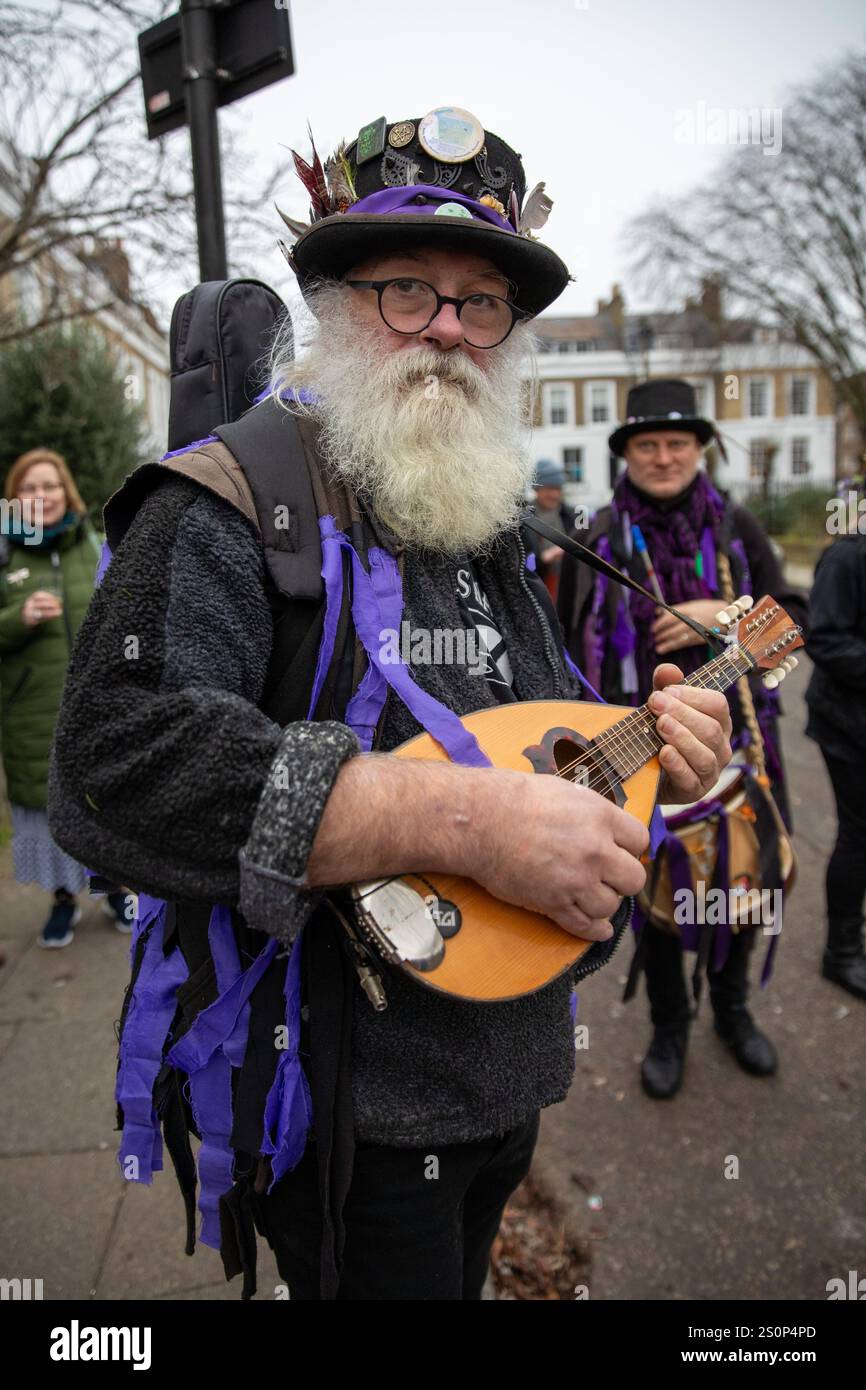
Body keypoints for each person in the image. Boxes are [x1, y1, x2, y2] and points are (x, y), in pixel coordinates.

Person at [48, 113, 732, 1300]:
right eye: (406, 289)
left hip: (507, 1071)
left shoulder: (491, 511)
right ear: (330, 300)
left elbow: (535, 741)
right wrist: (456, 823)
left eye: (481, 303)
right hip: (344, 1113)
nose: (449, 331)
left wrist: (642, 758)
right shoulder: (222, 500)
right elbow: (114, 761)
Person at [558, 379, 808, 1100]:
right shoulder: (597, 537)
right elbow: (564, 642)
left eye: (677, 443)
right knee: (653, 888)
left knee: (747, 884)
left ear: (700, 449)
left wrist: (719, 616)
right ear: (627, 452)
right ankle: (670, 1026)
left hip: (745, 748)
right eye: (648, 444)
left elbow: (794, 617)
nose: (664, 457)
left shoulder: (736, 527)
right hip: (635, 754)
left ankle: (732, 1007)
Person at [0, 448, 130, 947]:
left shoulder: (96, 543)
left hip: (96, 706)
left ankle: (115, 888)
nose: (42, 496)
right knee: (44, 806)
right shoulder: (6, 553)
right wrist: (18, 618)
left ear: (66, 492)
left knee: (101, 798)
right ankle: (61, 899)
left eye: (50, 486)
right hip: (31, 710)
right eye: (30, 488)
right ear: (16, 497)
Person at [804, 483, 866, 1002]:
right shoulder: (846, 557)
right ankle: (842, 951)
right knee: (858, 834)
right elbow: (823, 639)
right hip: (848, 725)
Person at [524, 458, 572, 597]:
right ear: (537, 489)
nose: (554, 495)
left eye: (558, 489)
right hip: (537, 591)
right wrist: (543, 558)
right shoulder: (524, 519)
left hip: (566, 587)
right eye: (549, 488)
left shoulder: (571, 515)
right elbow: (524, 564)